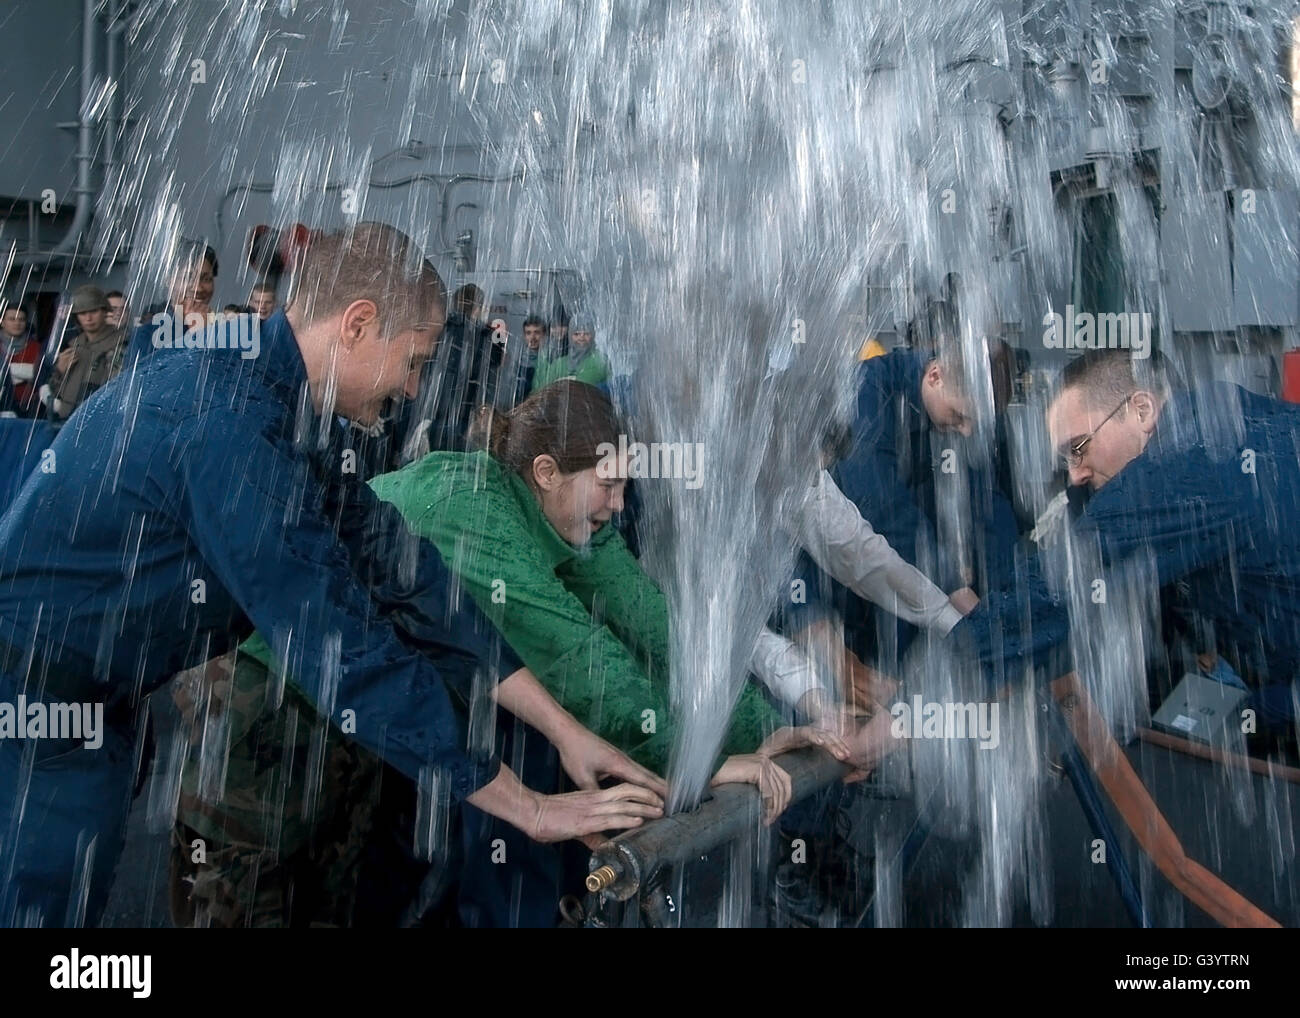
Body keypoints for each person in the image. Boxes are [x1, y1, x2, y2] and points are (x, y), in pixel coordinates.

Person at [0, 223, 658, 929]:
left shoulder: (283, 407)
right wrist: (530, 808)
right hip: (32, 714)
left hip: (101, 702)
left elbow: (408, 577)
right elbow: (339, 645)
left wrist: (563, 732)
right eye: (412, 362)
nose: (412, 390)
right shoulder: (228, 426)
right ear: (358, 324)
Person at [369, 382, 875, 794]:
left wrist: (765, 733)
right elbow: (575, 654)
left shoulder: (563, 510)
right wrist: (701, 763)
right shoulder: (473, 510)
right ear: (546, 473)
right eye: (608, 485)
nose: (617, 504)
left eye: (625, 486)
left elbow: (655, 625)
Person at [955, 348, 1300, 735]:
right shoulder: (1233, 421)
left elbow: (1060, 583)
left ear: (1141, 410)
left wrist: (922, 699)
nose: (1075, 475)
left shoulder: (1189, 461)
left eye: (1078, 448)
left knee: (1238, 727)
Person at [123, 240, 218, 365]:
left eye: (206, 279)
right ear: (169, 280)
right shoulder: (148, 334)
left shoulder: (227, 330)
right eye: (188, 278)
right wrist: (199, 337)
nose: (198, 288)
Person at [42, 285, 129, 420]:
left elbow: (119, 390)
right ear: (76, 317)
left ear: (105, 312)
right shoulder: (74, 345)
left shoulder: (121, 342)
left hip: (100, 420)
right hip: (68, 420)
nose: (88, 318)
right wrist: (59, 371)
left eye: (93, 311)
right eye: (82, 313)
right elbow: (54, 391)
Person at [530, 315, 609, 393]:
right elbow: (541, 388)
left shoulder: (600, 360)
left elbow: (582, 385)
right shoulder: (560, 363)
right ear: (570, 336)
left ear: (593, 335)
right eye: (576, 334)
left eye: (586, 333)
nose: (581, 338)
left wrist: (559, 383)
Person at [1, 303, 46, 418]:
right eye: (12, 319)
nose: (17, 323)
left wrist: (12, 371)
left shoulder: (37, 348)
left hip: (30, 409)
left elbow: (43, 375)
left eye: (21, 319)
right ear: (2, 322)